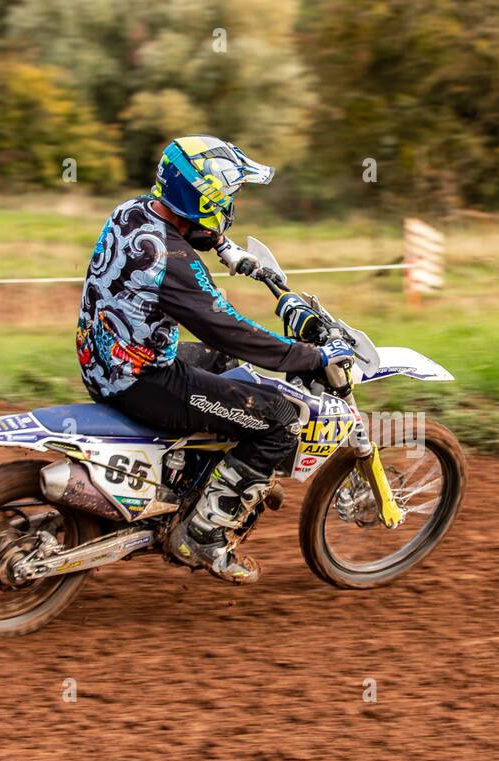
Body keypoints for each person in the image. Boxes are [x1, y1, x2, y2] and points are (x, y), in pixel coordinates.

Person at [75, 135, 354, 584]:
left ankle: (211, 475)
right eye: (226, 198)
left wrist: (228, 250)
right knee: (281, 420)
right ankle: (204, 534)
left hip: (103, 357)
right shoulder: (174, 261)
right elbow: (230, 329)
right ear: (204, 200)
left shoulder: (132, 212)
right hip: (143, 380)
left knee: (228, 369)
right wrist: (311, 356)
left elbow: (195, 241)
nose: (230, 207)